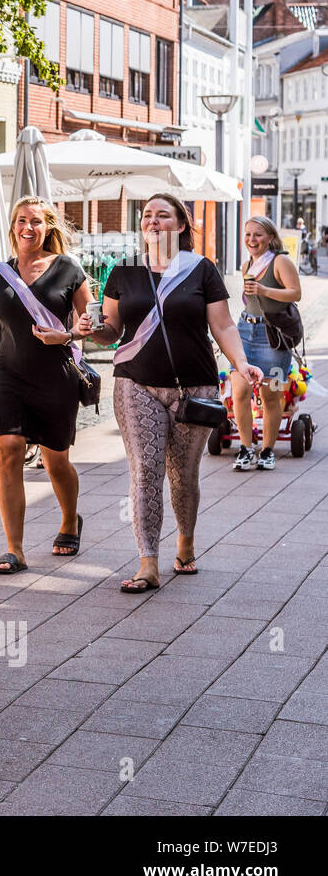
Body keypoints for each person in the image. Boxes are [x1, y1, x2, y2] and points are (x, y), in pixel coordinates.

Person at [75, 193, 264, 593]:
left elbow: (224, 325)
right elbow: (112, 330)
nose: (154, 221)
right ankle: (148, 562)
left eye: (164, 215)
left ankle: (186, 541)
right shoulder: (124, 271)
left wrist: (242, 363)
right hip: (135, 382)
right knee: (145, 472)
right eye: (147, 215)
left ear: (181, 225)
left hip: (193, 386)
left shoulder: (201, 270)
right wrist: (95, 330)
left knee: (183, 476)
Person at [0, 197, 92, 574]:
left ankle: (70, 520)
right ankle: (14, 549)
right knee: (9, 450)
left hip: (56, 376)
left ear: (49, 228)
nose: (28, 227)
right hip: (8, 375)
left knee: (55, 460)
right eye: (21, 221)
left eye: (37, 222)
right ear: (12, 228)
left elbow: (94, 322)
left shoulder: (68, 269)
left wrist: (68, 335)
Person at [232, 216, 303, 471]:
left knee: (270, 395)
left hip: (271, 337)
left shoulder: (280, 261)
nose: (252, 240)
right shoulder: (246, 265)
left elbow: (295, 293)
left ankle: (267, 450)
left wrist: (264, 290)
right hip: (244, 332)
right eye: (248, 234)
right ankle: (245, 447)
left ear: (270, 237)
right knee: (240, 391)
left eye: (258, 235)